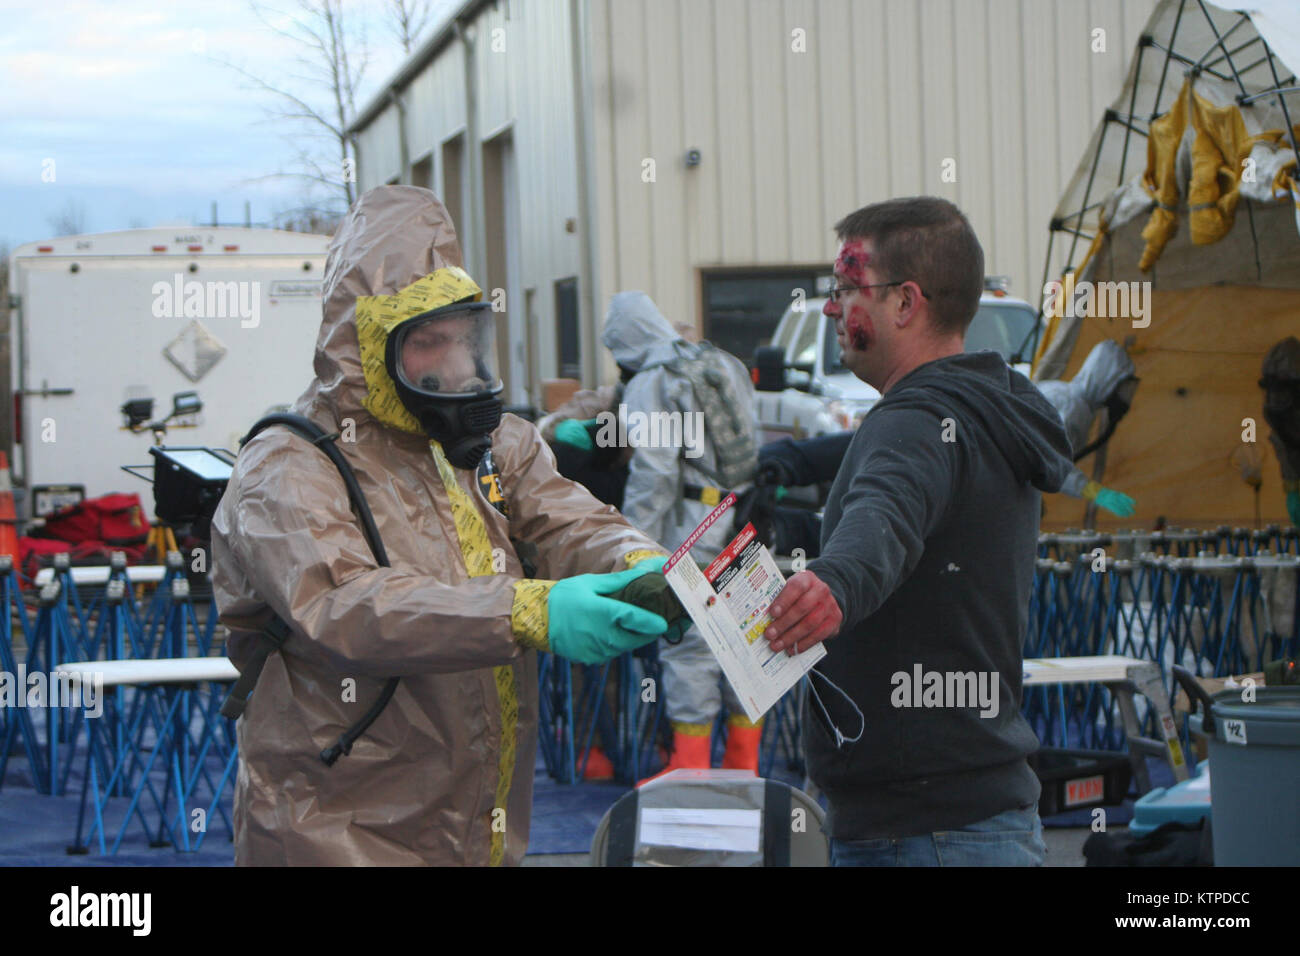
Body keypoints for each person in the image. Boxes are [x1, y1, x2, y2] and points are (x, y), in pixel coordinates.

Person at [210, 186, 673, 866]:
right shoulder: (289, 464)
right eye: (428, 343)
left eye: (463, 339)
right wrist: (525, 610)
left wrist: (642, 567)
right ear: (365, 344)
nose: (456, 365)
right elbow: (344, 605)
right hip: (334, 826)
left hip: (475, 817)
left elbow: (569, 519)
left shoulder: (488, 444)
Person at [764, 197, 1075, 866]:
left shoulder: (916, 422)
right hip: (970, 821)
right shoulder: (981, 408)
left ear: (906, 304)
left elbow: (887, 513)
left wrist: (834, 583)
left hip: (926, 837)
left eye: (847, 289)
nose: (829, 308)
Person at [600, 291, 765, 778]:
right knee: (747, 642)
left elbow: (653, 474)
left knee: (690, 645)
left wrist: (632, 547)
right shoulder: (722, 360)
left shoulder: (652, 382)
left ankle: (690, 770)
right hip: (748, 517)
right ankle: (743, 768)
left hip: (695, 524)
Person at [1034, 339, 1139, 518]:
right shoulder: (1072, 407)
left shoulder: (1067, 396)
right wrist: (1094, 492)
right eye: (1120, 387)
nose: (1123, 396)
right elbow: (1051, 462)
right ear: (1107, 380)